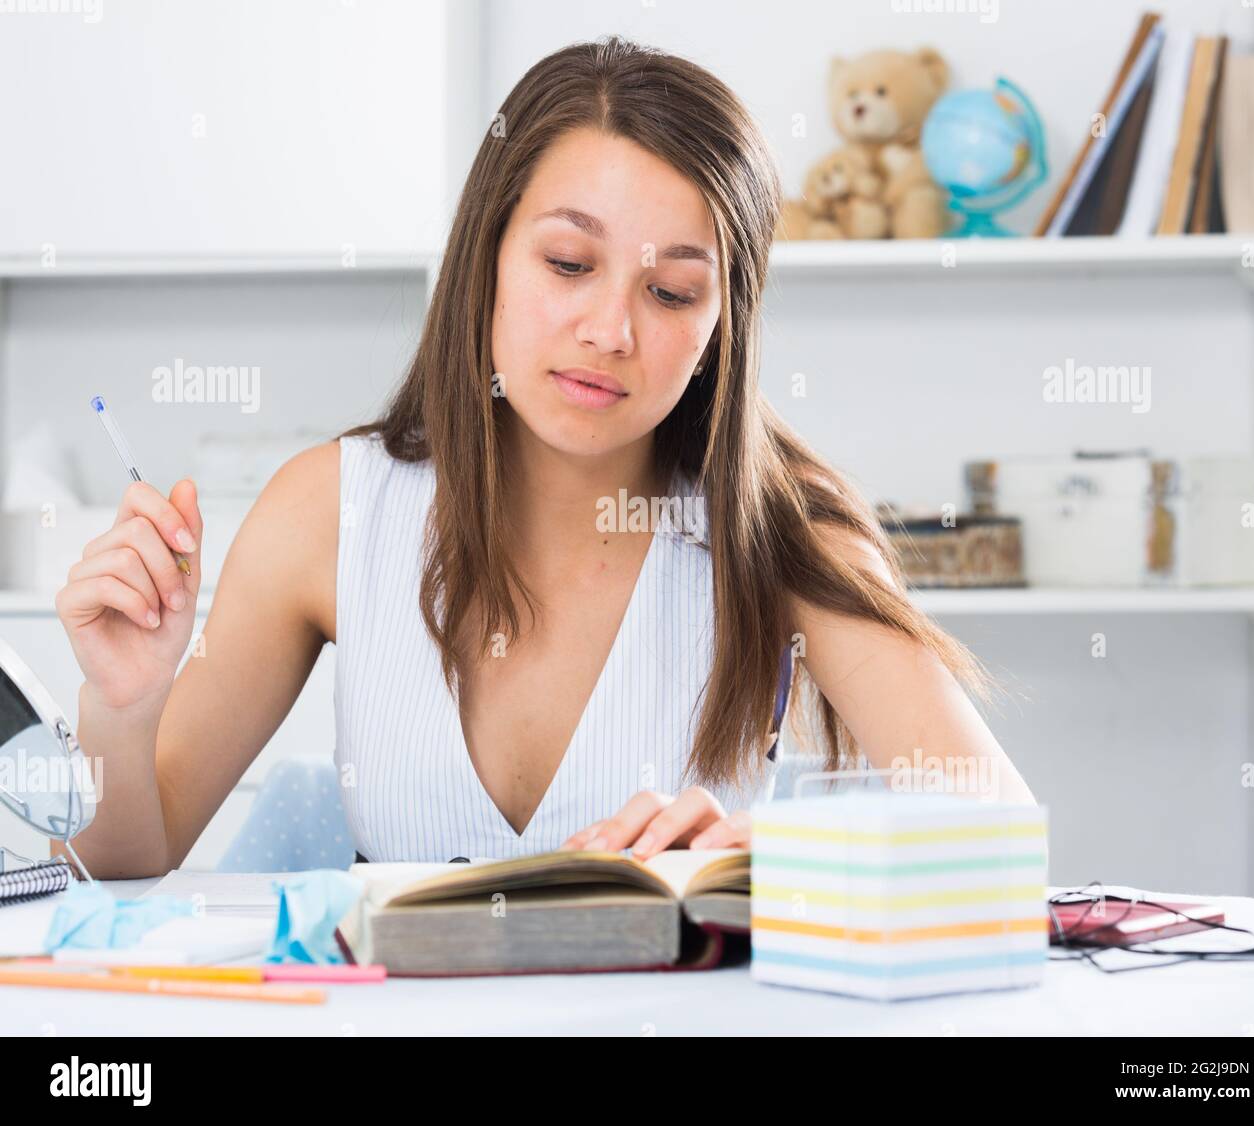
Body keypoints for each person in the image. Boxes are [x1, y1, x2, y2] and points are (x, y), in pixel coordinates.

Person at [53, 35, 1034, 880]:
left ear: (722, 328)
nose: (610, 329)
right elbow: (131, 855)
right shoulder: (328, 510)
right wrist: (119, 708)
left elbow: (998, 837)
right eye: (568, 264)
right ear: (487, 257)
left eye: (674, 292)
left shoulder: (780, 524)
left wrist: (780, 858)